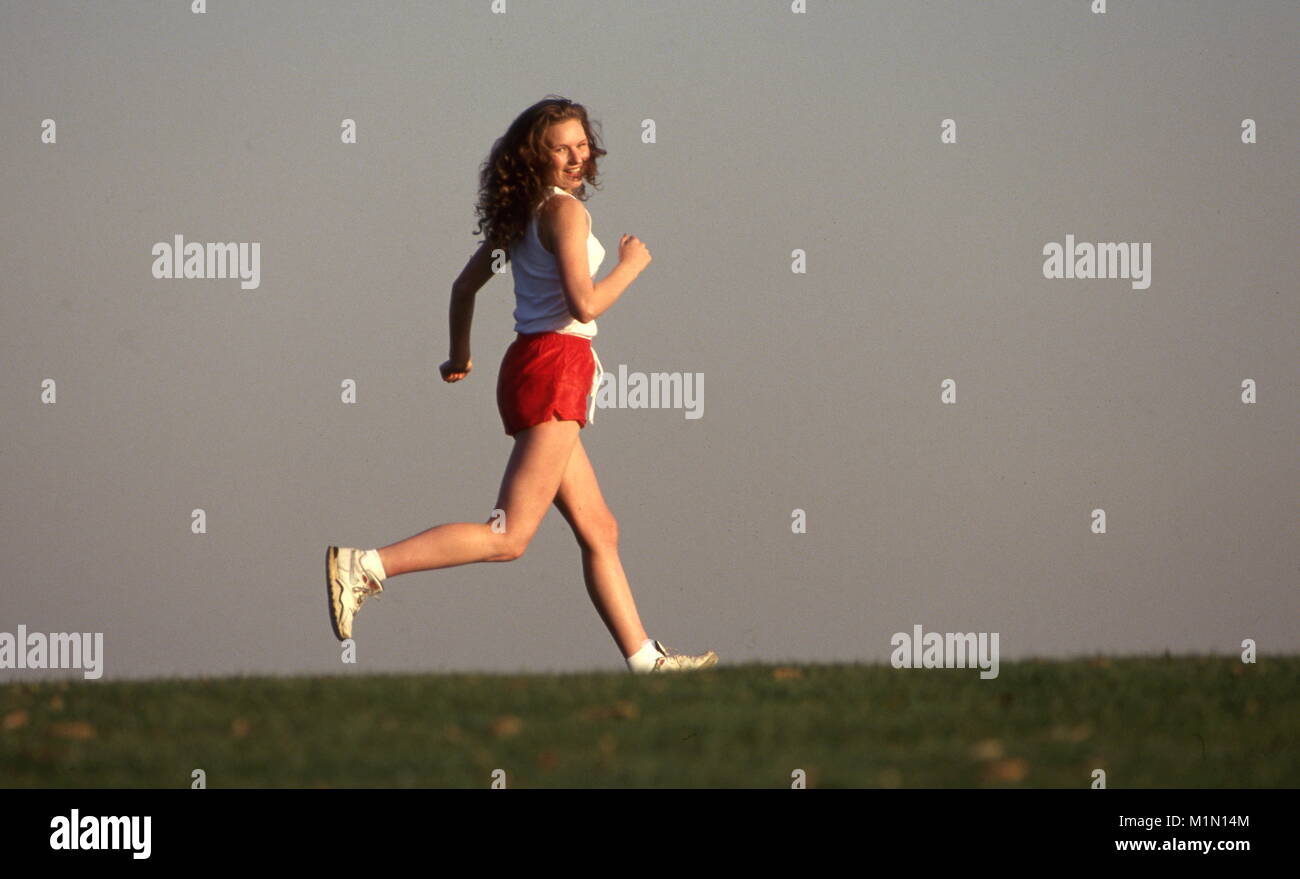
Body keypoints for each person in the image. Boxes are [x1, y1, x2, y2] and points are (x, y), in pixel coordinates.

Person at [326, 96, 717, 674]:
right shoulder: (564, 213)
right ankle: (368, 565)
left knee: (599, 528)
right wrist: (630, 266)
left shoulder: (523, 217)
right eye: (561, 147)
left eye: (582, 144)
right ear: (536, 157)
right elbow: (584, 302)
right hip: (558, 364)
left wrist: (459, 355)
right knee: (507, 536)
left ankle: (645, 660)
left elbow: (463, 288)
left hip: (530, 365)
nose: (576, 156)